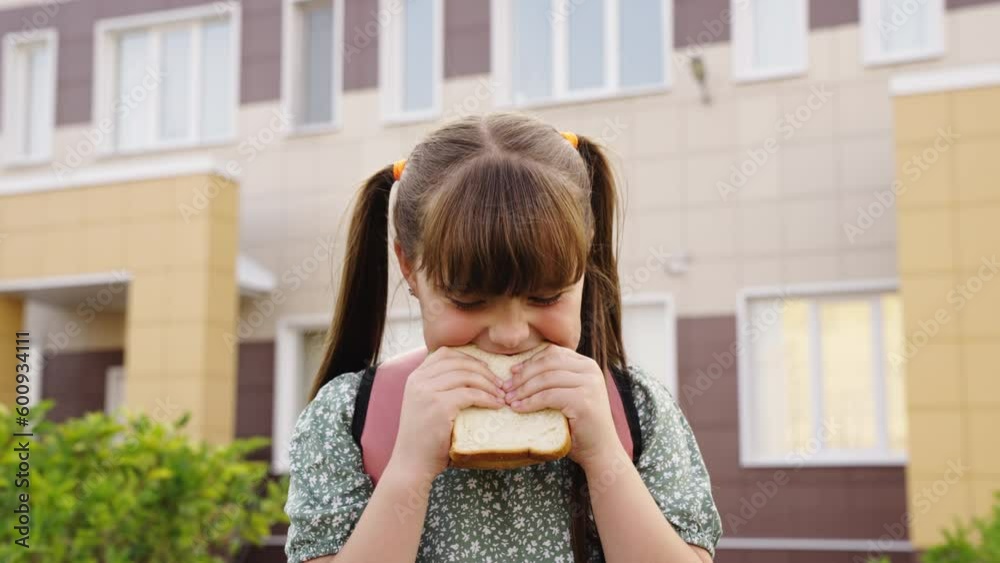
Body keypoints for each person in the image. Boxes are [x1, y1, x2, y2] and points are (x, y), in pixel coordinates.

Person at [284, 113, 722, 562]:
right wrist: (409, 467)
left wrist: (605, 455)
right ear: (409, 267)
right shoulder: (346, 417)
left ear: (584, 261)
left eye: (547, 296)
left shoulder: (638, 411)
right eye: (469, 302)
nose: (511, 335)